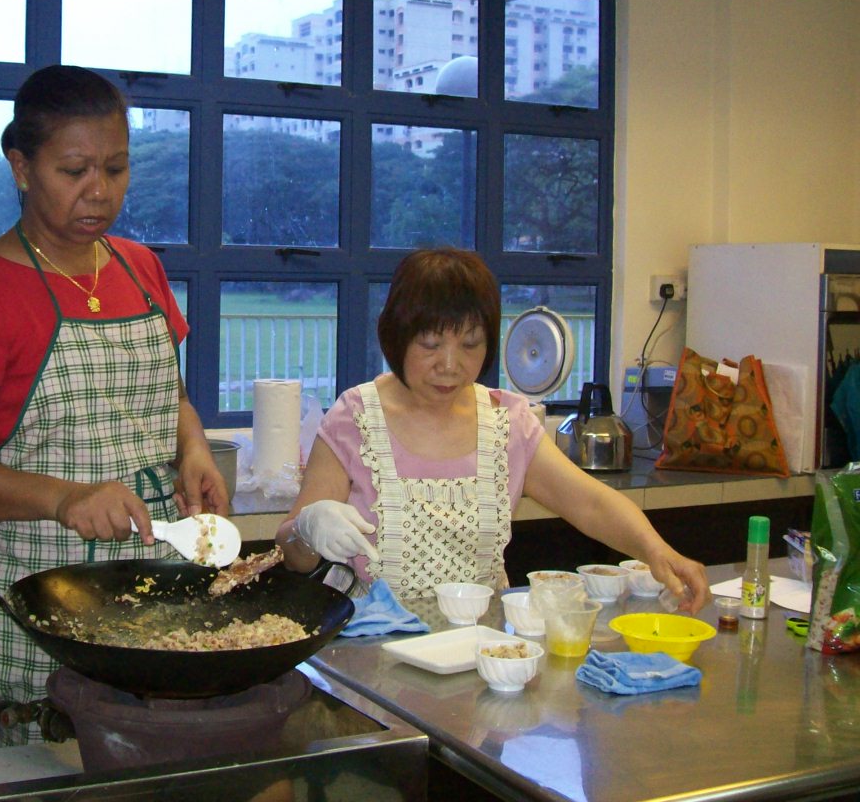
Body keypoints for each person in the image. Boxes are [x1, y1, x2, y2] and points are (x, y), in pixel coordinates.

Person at [0, 64, 228, 747]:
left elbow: (166, 393)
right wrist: (66, 498)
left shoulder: (141, 268)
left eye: (116, 168)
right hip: (43, 593)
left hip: (156, 576)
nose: (100, 191)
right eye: (74, 170)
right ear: (22, 168)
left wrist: (194, 449)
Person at [275, 247, 711, 613]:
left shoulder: (507, 423)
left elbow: (592, 504)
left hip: (481, 649)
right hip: (372, 648)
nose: (450, 365)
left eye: (470, 344)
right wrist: (307, 528)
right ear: (396, 336)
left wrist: (658, 552)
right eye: (430, 344)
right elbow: (290, 554)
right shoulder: (354, 418)